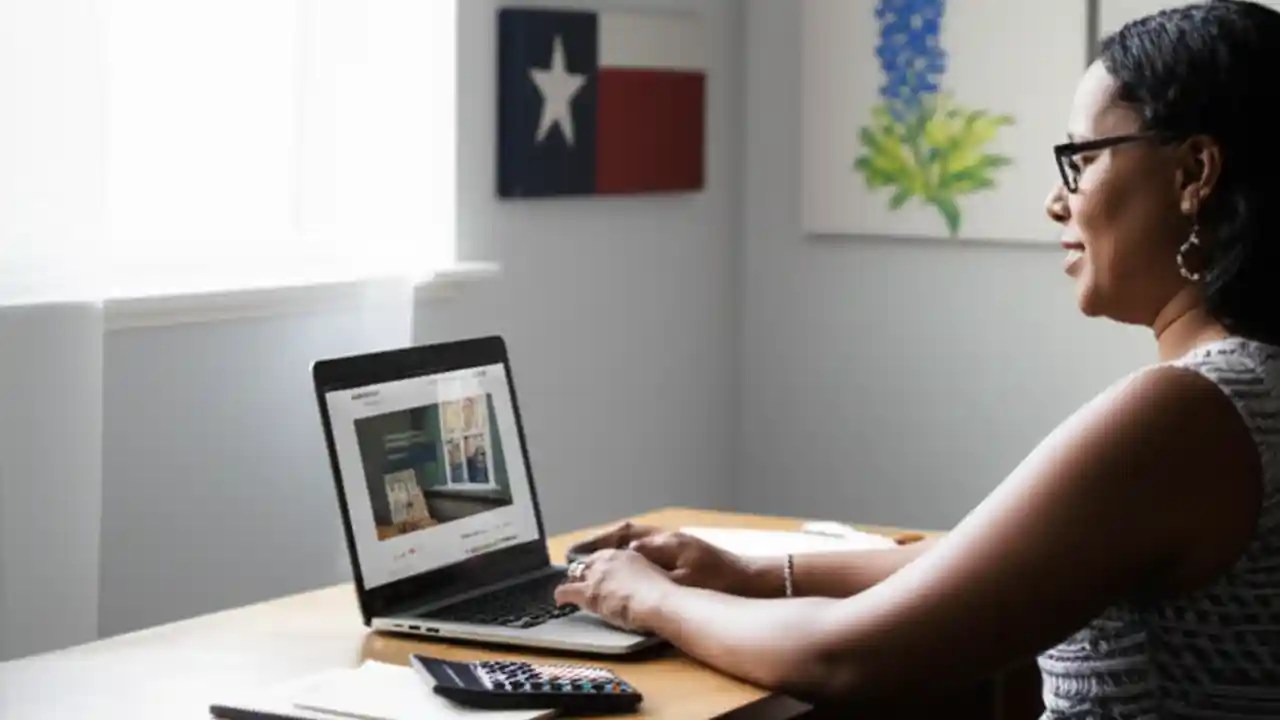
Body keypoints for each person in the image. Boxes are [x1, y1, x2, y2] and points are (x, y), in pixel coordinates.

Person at [554, 2, 1280, 715]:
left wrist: (651, 600)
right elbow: (991, 562)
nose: (1056, 203)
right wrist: (748, 574)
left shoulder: (1186, 416)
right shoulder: (1246, 392)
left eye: (1079, 161)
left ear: (1194, 172)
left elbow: (843, 657)